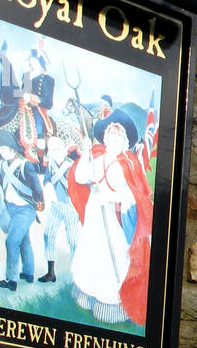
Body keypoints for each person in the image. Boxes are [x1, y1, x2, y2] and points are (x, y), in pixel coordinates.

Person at [67, 110, 153, 326]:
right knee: (92, 254)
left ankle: (111, 303)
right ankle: (87, 293)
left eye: (119, 135)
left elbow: (136, 196)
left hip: (115, 220)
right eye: (111, 134)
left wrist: (112, 196)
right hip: (95, 216)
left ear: (125, 141)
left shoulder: (129, 164)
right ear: (105, 137)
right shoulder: (97, 158)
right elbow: (81, 176)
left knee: (113, 257)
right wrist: (85, 153)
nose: (114, 138)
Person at [0, 134, 45, 291]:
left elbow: (37, 188)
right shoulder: (0, 165)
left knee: (11, 242)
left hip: (26, 210)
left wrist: (39, 203)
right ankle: (28, 273)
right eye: (1, 149)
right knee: (23, 240)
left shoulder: (26, 165)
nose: (3, 152)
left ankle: (11, 280)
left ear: (13, 148)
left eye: (5, 148)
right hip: (10, 208)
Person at [39, 135, 81, 284]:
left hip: (70, 206)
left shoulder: (72, 165)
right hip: (56, 205)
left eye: (58, 149)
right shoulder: (51, 165)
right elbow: (47, 179)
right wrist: (48, 185)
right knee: (48, 234)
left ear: (64, 150)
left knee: (73, 240)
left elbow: (79, 185)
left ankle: (78, 274)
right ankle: (50, 272)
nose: (56, 152)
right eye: (53, 150)